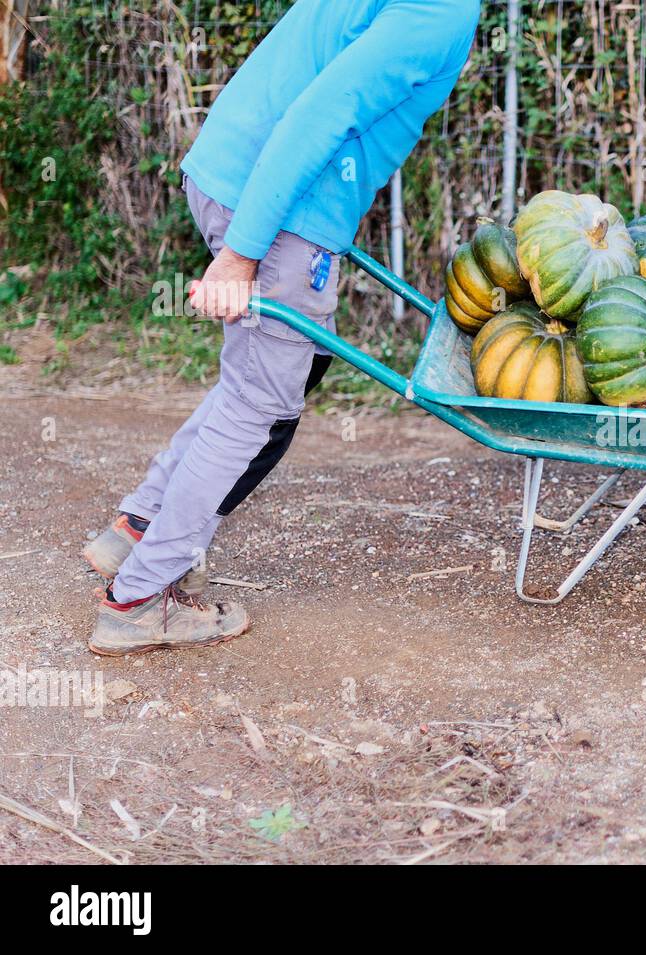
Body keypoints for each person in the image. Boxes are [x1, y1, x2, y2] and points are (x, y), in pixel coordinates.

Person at [83, 0, 482, 655]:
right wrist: (241, 253)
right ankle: (136, 602)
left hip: (233, 171)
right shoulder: (442, 9)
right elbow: (322, 114)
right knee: (259, 408)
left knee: (246, 387)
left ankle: (134, 530)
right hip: (280, 206)